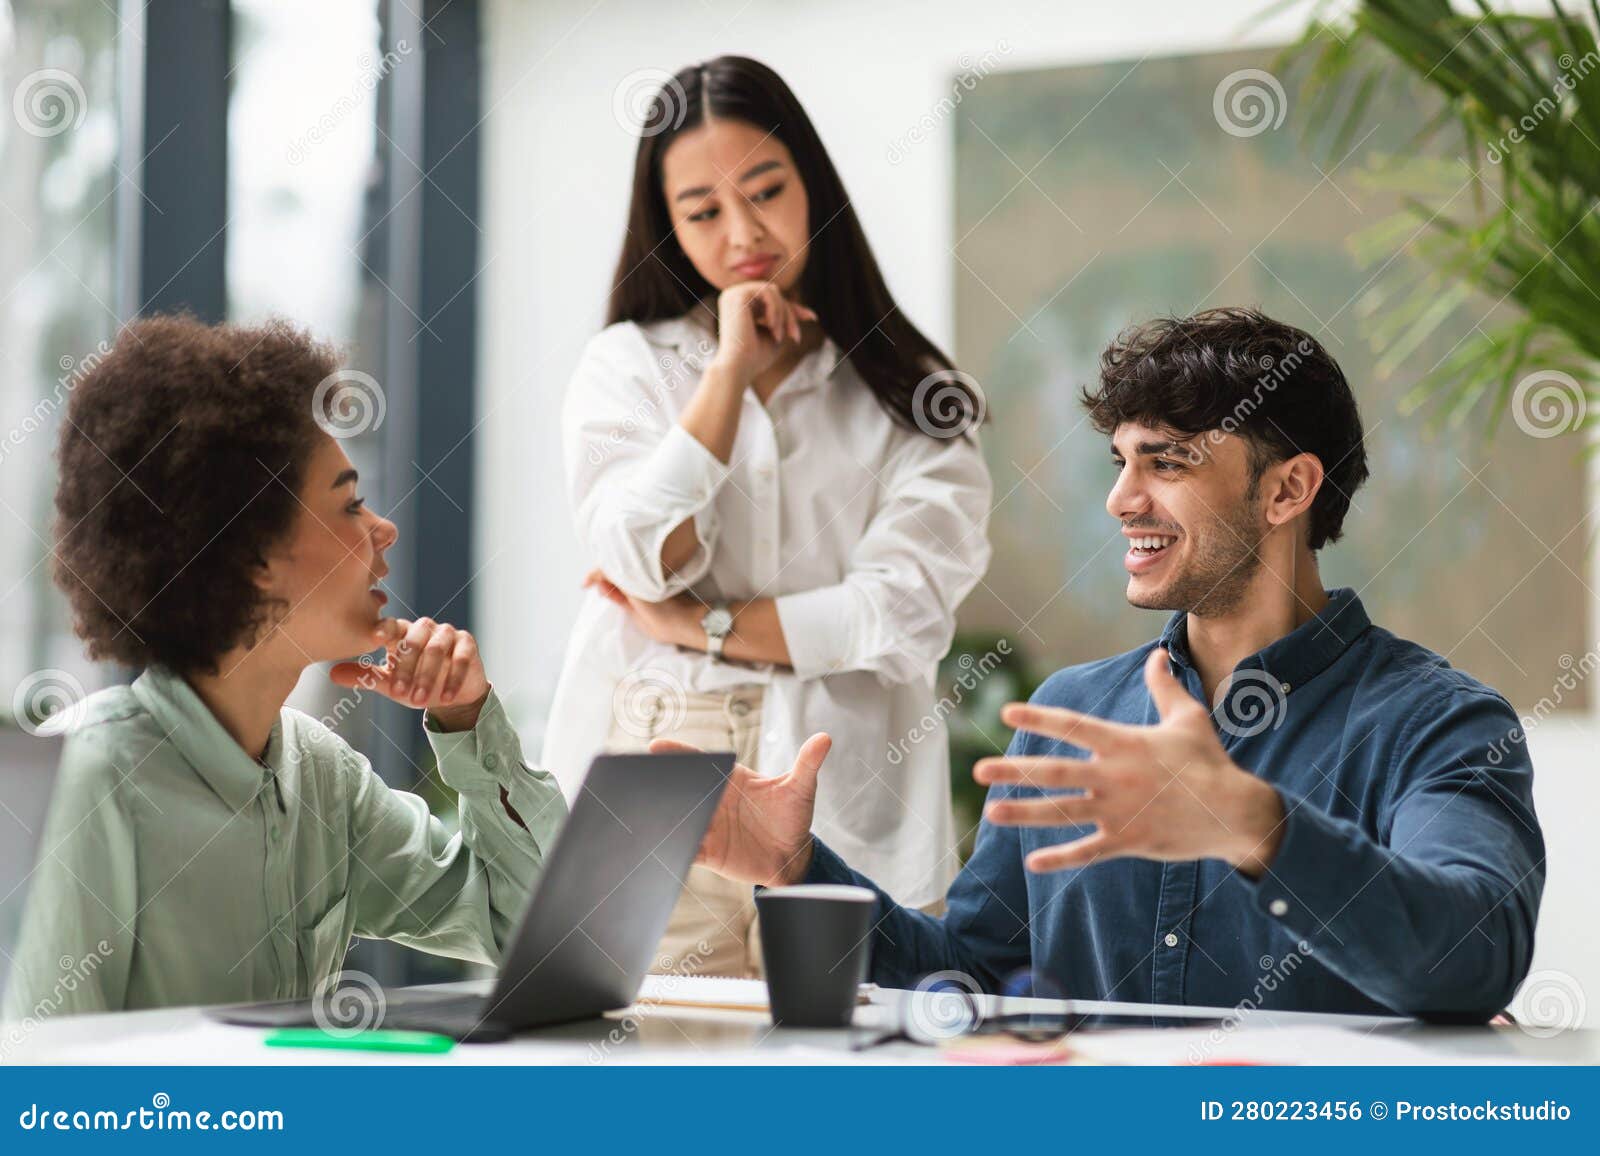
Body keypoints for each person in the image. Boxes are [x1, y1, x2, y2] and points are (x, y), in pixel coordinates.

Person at [666, 307, 1545, 1019]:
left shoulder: (1438, 724)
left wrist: (1258, 827)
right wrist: (798, 870)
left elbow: (1472, 957)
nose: (1123, 500)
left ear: (1288, 489)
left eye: (1168, 463)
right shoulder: (1074, 707)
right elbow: (972, 977)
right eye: (1122, 461)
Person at [543, 55, 992, 978]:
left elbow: (903, 612)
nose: (743, 232)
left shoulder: (917, 394)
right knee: (646, 1071)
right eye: (703, 211)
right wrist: (726, 378)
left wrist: (702, 626)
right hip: (660, 756)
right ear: (667, 226)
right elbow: (642, 560)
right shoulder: (627, 366)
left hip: (848, 776)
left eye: (766, 191)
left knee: (855, 1079)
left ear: (812, 185)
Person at [3, 316, 566, 1017]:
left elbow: (537, 934)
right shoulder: (92, 782)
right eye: (350, 503)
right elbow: (42, 1085)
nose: (382, 529)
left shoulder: (321, 778)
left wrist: (468, 722)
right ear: (252, 553)